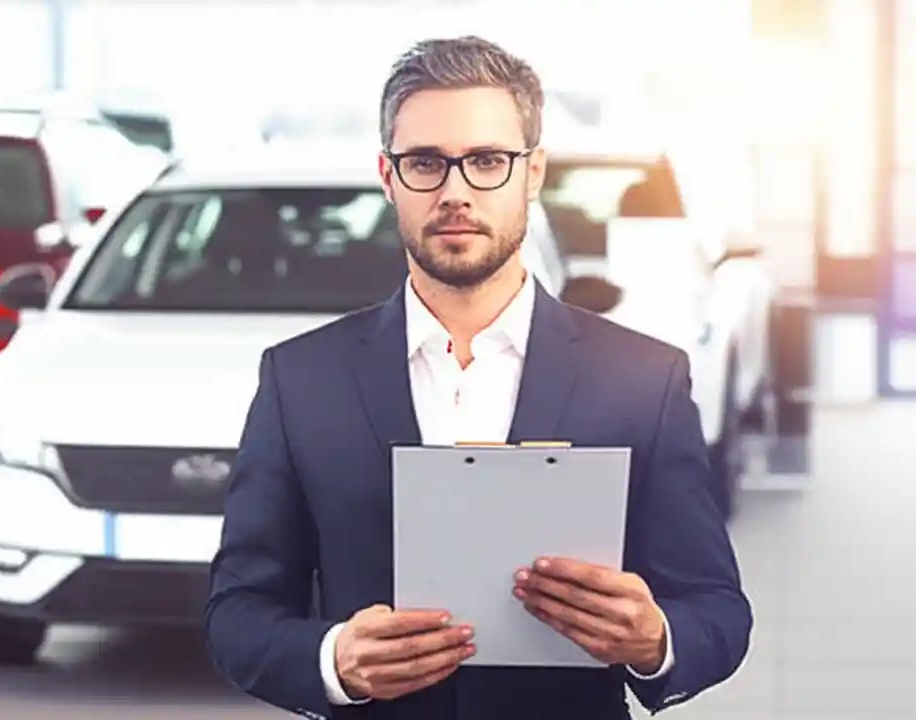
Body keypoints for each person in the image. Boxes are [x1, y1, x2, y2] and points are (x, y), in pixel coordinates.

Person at [204, 36, 752, 720]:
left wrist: (654, 639)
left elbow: (718, 611)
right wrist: (332, 659)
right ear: (387, 175)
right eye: (425, 163)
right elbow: (238, 613)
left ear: (533, 172)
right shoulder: (300, 379)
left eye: (487, 161)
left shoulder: (644, 378)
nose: (455, 191)